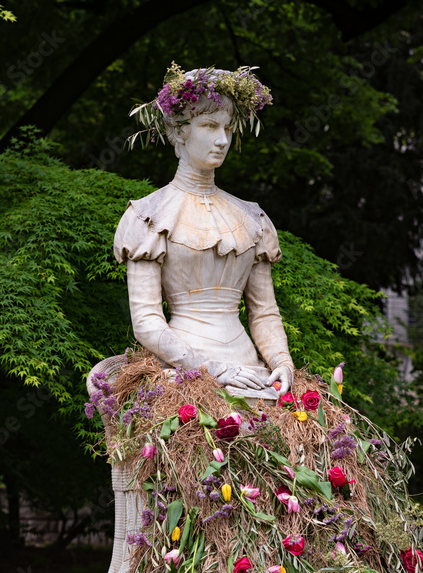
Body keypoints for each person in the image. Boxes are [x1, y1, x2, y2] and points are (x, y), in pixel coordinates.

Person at [113, 64, 295, 395]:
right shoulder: (147, 217)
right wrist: (211, 369)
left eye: (227, 128)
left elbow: (264, 313)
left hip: (254, 374)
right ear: (179, 132)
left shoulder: (253, 218)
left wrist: (282, 363)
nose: (222, 140)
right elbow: (146, 322)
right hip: (187, 376)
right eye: (209, 126)